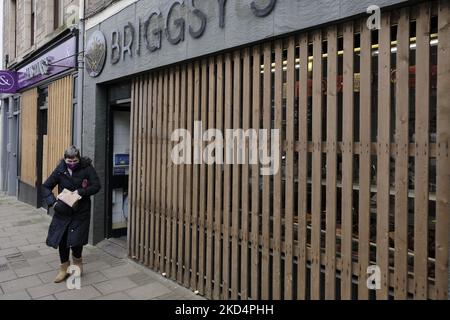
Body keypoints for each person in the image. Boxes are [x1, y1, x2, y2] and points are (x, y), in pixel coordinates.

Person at [42, 146, 101, 283]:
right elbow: (46, 186)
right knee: (62, 239)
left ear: (79, 158)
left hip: (81, 211)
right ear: (65, 159)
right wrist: (53, 203)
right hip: (63, 210)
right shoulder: (60, 170)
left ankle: (77, 264)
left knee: (76, 240)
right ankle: (63, 268)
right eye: (69, 160)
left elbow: (96, 186)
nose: (72, 163)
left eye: (75, 160)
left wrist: (81, 192)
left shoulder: (87, 168)